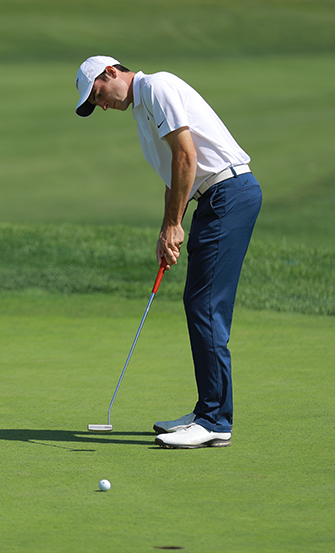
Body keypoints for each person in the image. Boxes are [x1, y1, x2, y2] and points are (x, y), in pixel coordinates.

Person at [75, 56, 262, 449]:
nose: (102, 105)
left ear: (111, 72)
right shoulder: (142, 113)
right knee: (200, 303)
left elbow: (186, 157)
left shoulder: (157, 87)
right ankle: (207, 410)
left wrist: (176, 224)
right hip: (213, 201)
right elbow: (174, 175)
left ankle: (215, 420)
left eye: (98, 94)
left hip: (228, 194)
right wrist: (167, 228)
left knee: (205, 306)